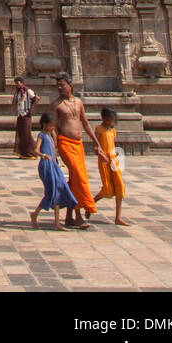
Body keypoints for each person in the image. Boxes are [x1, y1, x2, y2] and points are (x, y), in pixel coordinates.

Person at [51, 72, 109, 227]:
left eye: (62, 85)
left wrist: (97, 144)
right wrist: (54, 147)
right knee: (78, 176)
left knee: (77, 178)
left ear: (70, 85)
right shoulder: (57, 104)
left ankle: (70, 214)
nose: (59, 88)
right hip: (65, 143)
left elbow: (86, 124)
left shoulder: (78, 103)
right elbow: (53, 128)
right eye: (58, 85)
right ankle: (78, 215)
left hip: (78, 144)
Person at [30, 111, 77, 230]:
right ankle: (35, 214)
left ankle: (57, 223)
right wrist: (43, 155)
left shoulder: (51, 135)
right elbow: (36, 150)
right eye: (51, 125)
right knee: (51, 191)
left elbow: (55, 147)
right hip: (46, 166)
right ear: (45, 125)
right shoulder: (41, 135)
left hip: (54, 165)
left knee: (59, 189)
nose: (53, 128)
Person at [93, 107, 129, 225]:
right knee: (107, 188)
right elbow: (96, 146)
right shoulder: (99, 129)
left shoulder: (112, 130)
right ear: (103, 118)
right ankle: (91, 204)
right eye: (108, 120)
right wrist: (101, 153)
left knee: (119, 186)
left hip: (114, 160)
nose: (110, 122)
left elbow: (112, 144)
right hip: (104, 161)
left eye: (112, 120)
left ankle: (118, 217)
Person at [12, 75, 39, 158]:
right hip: (20, 114)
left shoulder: (27, 90)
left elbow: (36, 98)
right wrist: (15, 93)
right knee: (21, 133)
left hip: (26, 114)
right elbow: (14, 103)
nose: (16, 85)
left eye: (17, 83)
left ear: (22, 83)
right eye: (15, 83)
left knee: (27, 134)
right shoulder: (19, 92)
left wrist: (31, 110)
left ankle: (33, 152)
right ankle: (24, 153)